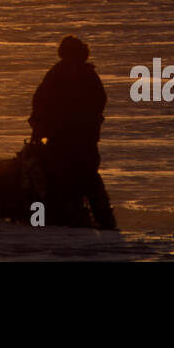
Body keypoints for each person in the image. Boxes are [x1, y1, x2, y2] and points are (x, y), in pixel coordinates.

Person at [28, 34, 117, 230]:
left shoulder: (64, 74)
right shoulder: (80, 75)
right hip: (73, 138)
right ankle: (94, 221)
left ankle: (82, 220)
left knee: (75, 179)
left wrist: (39, 125)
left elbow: (40, 102)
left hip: (71, 139)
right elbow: (42, 102)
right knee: (84, 179)